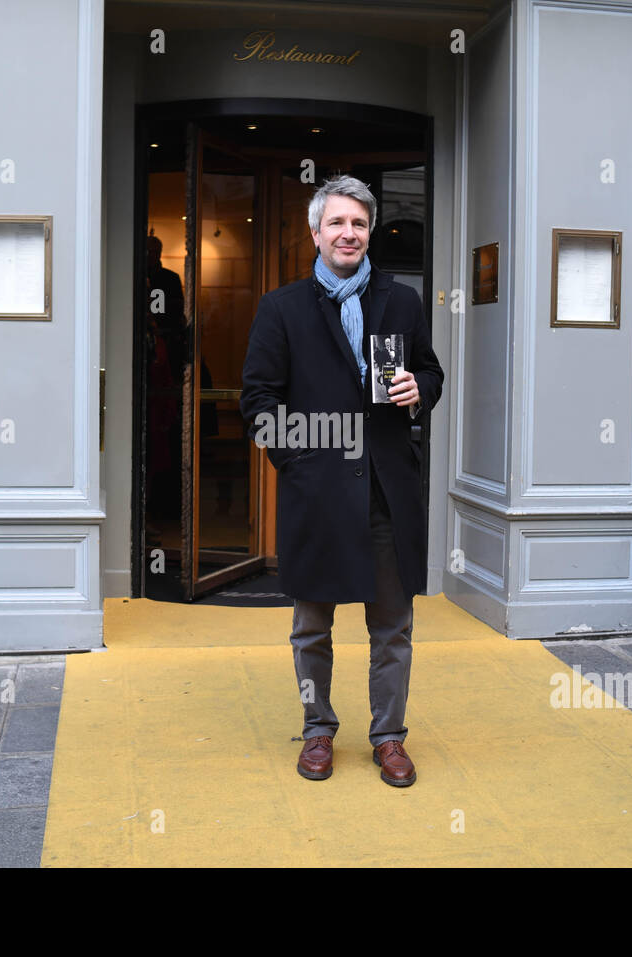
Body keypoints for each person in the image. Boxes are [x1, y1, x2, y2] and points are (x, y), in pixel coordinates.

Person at [239, 175, 444, 787]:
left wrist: (417, 394)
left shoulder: (402, 300)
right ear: (316, 233)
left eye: (358, 223)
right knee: (311, 627)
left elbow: (430, 372)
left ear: (369, 230)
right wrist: (299, 466)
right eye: (337, 223)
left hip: (387, 491)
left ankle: (389, 737)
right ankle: (317, 730)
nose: (348, 233)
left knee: (393, 625)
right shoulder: (282, 308)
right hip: (317, 497)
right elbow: (258, 403)